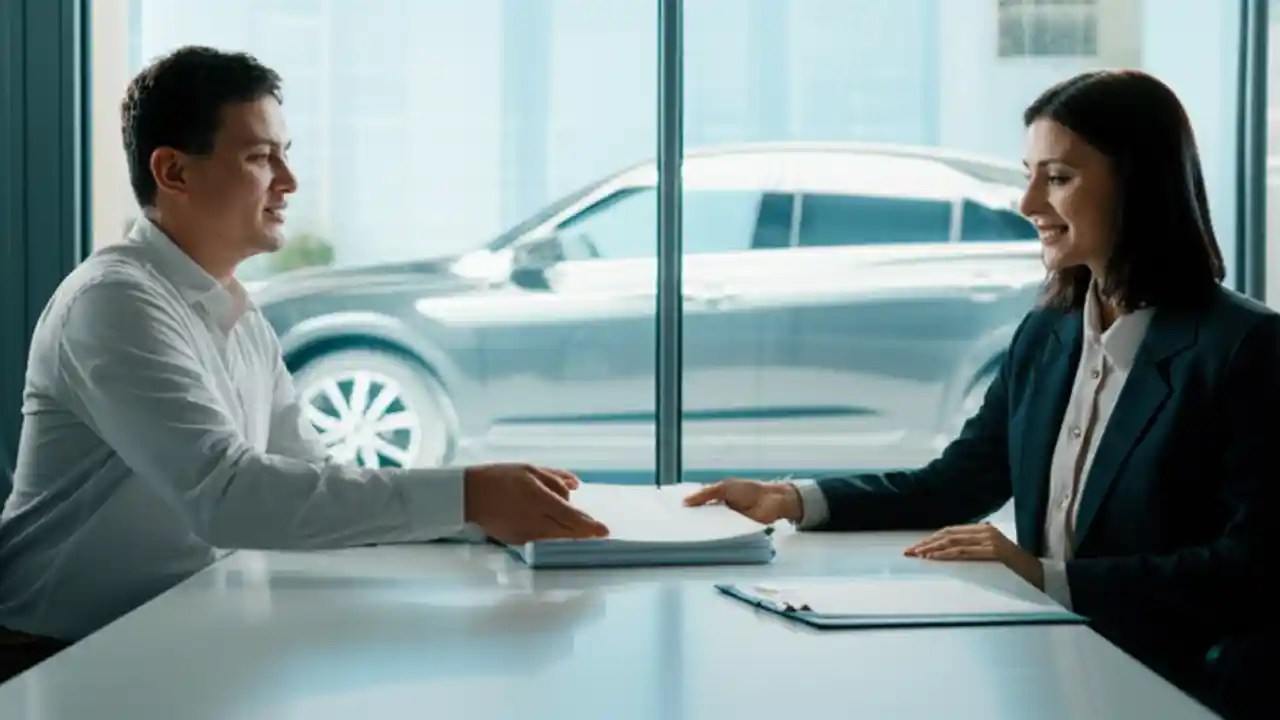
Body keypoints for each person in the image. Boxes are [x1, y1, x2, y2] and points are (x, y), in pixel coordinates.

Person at [0, 46, 608, 680]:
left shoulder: (230, 307)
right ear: (174, 172)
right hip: (55, 655)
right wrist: (467, 495)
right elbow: (229, 496)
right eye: (261, 158)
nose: (288, 182)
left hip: (173, 630)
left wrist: (486, 514)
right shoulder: (114, 303)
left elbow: (308, 478)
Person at [686, 69, 1272, 719]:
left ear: (1139, 183)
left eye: (1057, 178)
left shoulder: (1247, 348)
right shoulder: (1048, 333)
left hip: (1176, 687)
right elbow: (961, 480)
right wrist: (792, 498)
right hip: (1054, 667)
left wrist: (1045, 577)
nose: (1027, 203)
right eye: (1029, 173)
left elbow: (1248, 568)